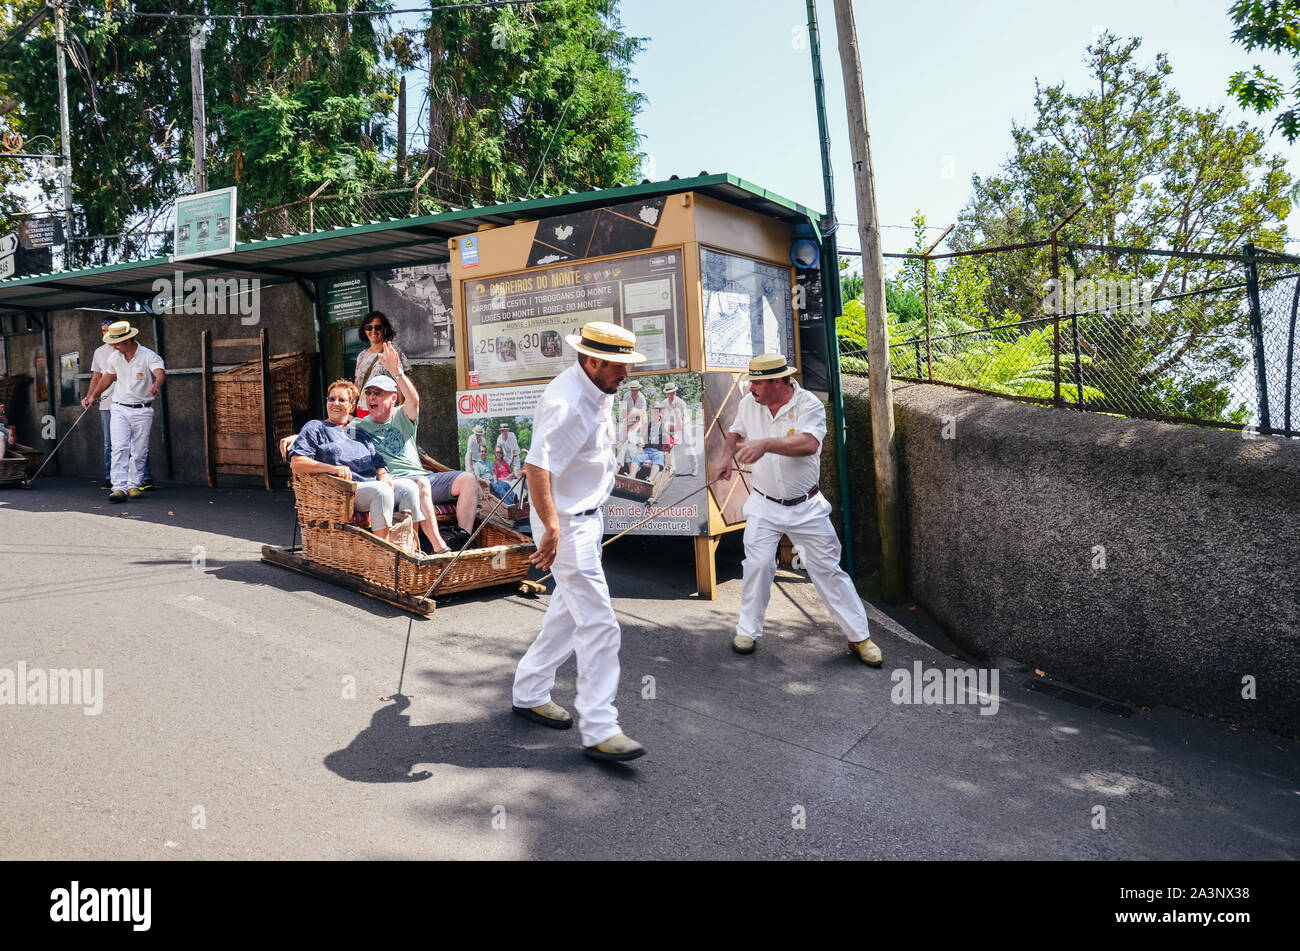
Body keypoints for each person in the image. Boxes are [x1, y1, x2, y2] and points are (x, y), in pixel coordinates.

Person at [511, 320, 648, 763]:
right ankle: (599, 727)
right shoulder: (567, 403)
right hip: (567, 526)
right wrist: (551, 527)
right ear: (592, 361)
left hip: (584, 519)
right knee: (600, 622)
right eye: (618, 366)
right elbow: (537, 467)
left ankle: (529, 690)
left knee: (569, 614)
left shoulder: (596, 389)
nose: (625, 374)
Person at [710, 353, 882, 667]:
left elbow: (809, 444)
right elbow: (735, 431)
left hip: (806, 506)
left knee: (828, 570)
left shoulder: (809, 405)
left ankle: (859, 637)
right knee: (758, 565)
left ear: (778, 381)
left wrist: (764, 444)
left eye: (758, 384)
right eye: (751, 383)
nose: (752, 390)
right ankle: (748, 631)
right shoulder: (751, 404)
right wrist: (725, 457)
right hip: (763, 503)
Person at [351, 342, 477, 554]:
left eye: (378, 393)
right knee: (420, 484)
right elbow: (330, 426)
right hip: (397, 484)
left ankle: (461, 538)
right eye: (369, 393)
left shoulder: (402, 415)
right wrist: (296, 437)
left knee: (468, 480)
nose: (371, 397)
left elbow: (414, 399)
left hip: (425, 477)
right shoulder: (359, 425)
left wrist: (397, 372)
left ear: (392, 398)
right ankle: (440, 547)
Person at [287, 380, 412, 542]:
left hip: (371, 484)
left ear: (352, 407)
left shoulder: (356, 431)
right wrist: (332, 468)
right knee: (382, 491)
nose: (335, 403)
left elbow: (377, 461)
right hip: (344, 490)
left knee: (409, 488)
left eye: (341, 400)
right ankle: (386, 552)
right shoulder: (316, 427)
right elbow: (296, 462)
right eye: (331, 399)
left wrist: (383, 473)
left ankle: (410, 547)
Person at [80, 321, 164, 503]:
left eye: (116, 343)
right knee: (119, 447)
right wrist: (94, 395)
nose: (113, 346)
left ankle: (133, 485)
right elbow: (107, 378)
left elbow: (160, 373)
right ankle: (118, 487)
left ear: (128, 340)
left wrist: (156, 384)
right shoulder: (114, 357)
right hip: (119, 408)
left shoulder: (148, 355)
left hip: (143, 410)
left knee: (139, 450)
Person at [88, 318, 152, 490]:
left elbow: (154, 372)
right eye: (104, 331)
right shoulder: (101, 352)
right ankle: (114, 481)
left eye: (109, 331)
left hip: (134, 402)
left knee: (137, 445)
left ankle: (140, 479)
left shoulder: (141, 354)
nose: (109, 339)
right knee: (114, 444)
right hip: (111, 403)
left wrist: (155, 384)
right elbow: (98, 377)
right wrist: (91, 396)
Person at [353, 311, 410, 419]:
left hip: (384, 409)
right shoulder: (361, 355)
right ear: (364, 330)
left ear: (385, 329)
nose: (373, 331)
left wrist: (402, 404)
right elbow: (357, 383)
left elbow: (402, 379)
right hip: (362, 409)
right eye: (369, 327)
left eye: (377, 327)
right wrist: (351, 404)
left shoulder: (392, 351)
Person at [662, 381, 692, 475]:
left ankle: (694, 467)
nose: (670, 395)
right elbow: (663, 416)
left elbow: (682, 420)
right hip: (673, 422)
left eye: (672, 392)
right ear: (666, 394)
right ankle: (672, 468)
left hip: (685, 422)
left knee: (689, 444)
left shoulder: (680, 402)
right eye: (668, 393)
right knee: (670, 445)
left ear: (675, 392)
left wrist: (677, 434)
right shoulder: (664, 403)